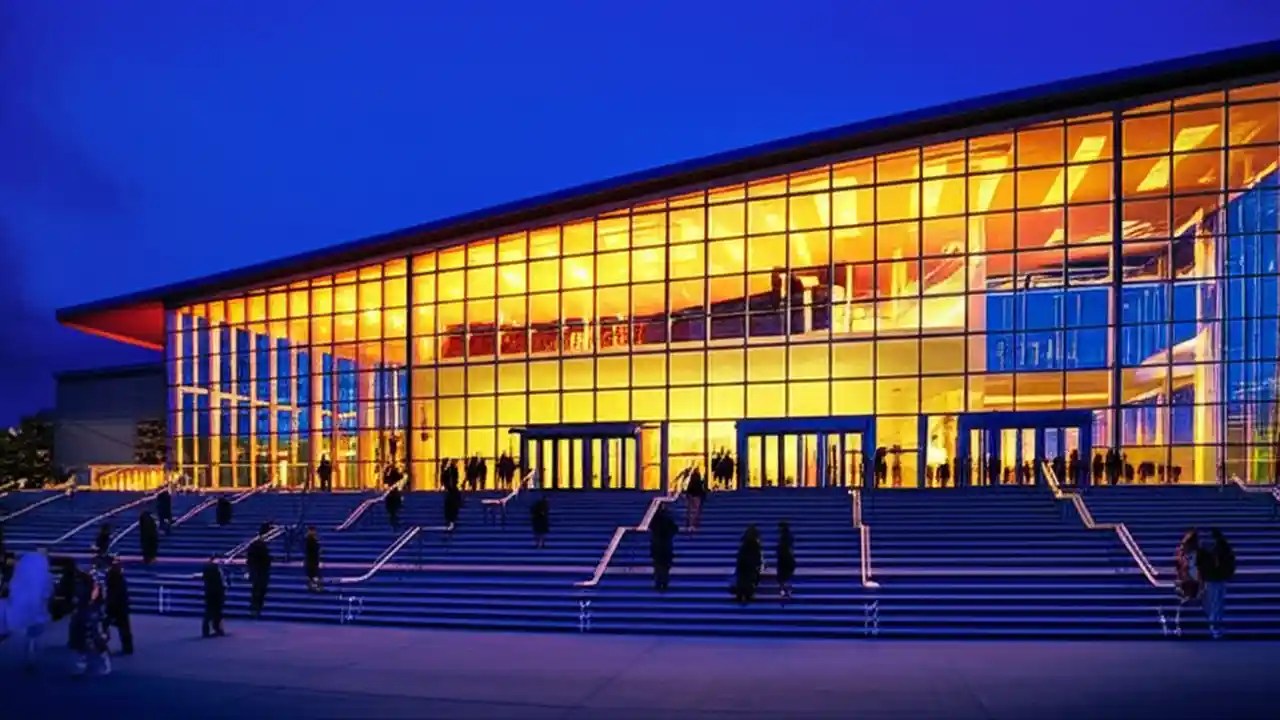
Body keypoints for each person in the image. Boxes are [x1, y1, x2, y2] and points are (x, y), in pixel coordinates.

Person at [5, 548, 53, 671]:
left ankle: (29, 655)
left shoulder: (25, 567)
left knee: (30, 633)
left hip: (26, 605)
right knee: (34, 633)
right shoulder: (43, 571)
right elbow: (47, 590)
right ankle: (32, 656)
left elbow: (14, 585)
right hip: (37, 606)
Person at [68, 567, 110, 677]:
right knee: (83, 640)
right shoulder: (83, 588)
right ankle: (86, 664)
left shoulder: (92, 588)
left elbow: (95, 600)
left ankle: (101, 663)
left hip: (90, 615)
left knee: (94, 638)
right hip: (84, 615)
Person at [1198, 528, 1236, 639]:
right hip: (1214, 578)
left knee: (1215, 603)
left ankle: (1214, 626)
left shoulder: (1219, 549)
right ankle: (1214, 625)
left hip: (1215, 578)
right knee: (1215, 603)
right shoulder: (1220, 548)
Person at [104, 557, 133, 655]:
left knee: (105, 625)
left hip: (116, 605)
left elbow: (112, 593)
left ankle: (102, 645)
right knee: (124, 628)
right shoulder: (119, 576)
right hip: (121, 605)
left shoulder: (112, 576)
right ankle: (128, 647)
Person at [246, 523, 272, 618]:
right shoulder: (259, 545)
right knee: (259, 590)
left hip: (257, 570)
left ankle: (255, 608)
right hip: (260, 571)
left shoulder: (256, 544)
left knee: (257, 590)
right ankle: (256, 608)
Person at [649, 506, 678, 591]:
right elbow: (675, 529)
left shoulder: (654, 521)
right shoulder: (668, 520)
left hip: (657, 546)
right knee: (665, 566)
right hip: (666, 546)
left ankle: (658, 583)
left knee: (658, 565)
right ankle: (664, 583)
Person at [733, 525, 763, 604]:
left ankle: (740, 595)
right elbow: (757, 557)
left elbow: (740, 556)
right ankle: (747, 595)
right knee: (749, 581)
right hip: (750, 568)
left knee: (742, 580)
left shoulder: (744, 543)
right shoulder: (756, 545)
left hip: (743, 566)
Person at [201, 556, 227, 638]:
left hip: (210, 592)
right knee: (214, 611)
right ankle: (216, 629)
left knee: (212, 612)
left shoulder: (207, 568)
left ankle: (212, 630)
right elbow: (219, 581)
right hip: (215, 593)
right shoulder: (215, 569)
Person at [776, 522, 796, 599]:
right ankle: (787, 591)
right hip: (787, 559)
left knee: (783, 577)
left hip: (783, 559)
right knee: (787, 576)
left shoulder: (783, 538)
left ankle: (784, 591)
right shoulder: (788, 537)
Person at [685, 466, 707, 532]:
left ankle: (690, 524)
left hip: (691, 496)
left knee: (691, 511)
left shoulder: (692, 480)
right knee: (696, 511)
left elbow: (689, 488)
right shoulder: (699, 481)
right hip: (697, 496)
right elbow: (701, 489)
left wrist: (688, 495)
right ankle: (694, 524)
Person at [304, 526, 322, 592]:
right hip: (311, 559)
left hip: (313, 559)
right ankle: (313, 586)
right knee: (312, 574)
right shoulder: (309, 539)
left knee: (313, 574)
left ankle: (313, 586)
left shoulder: (314, 539)